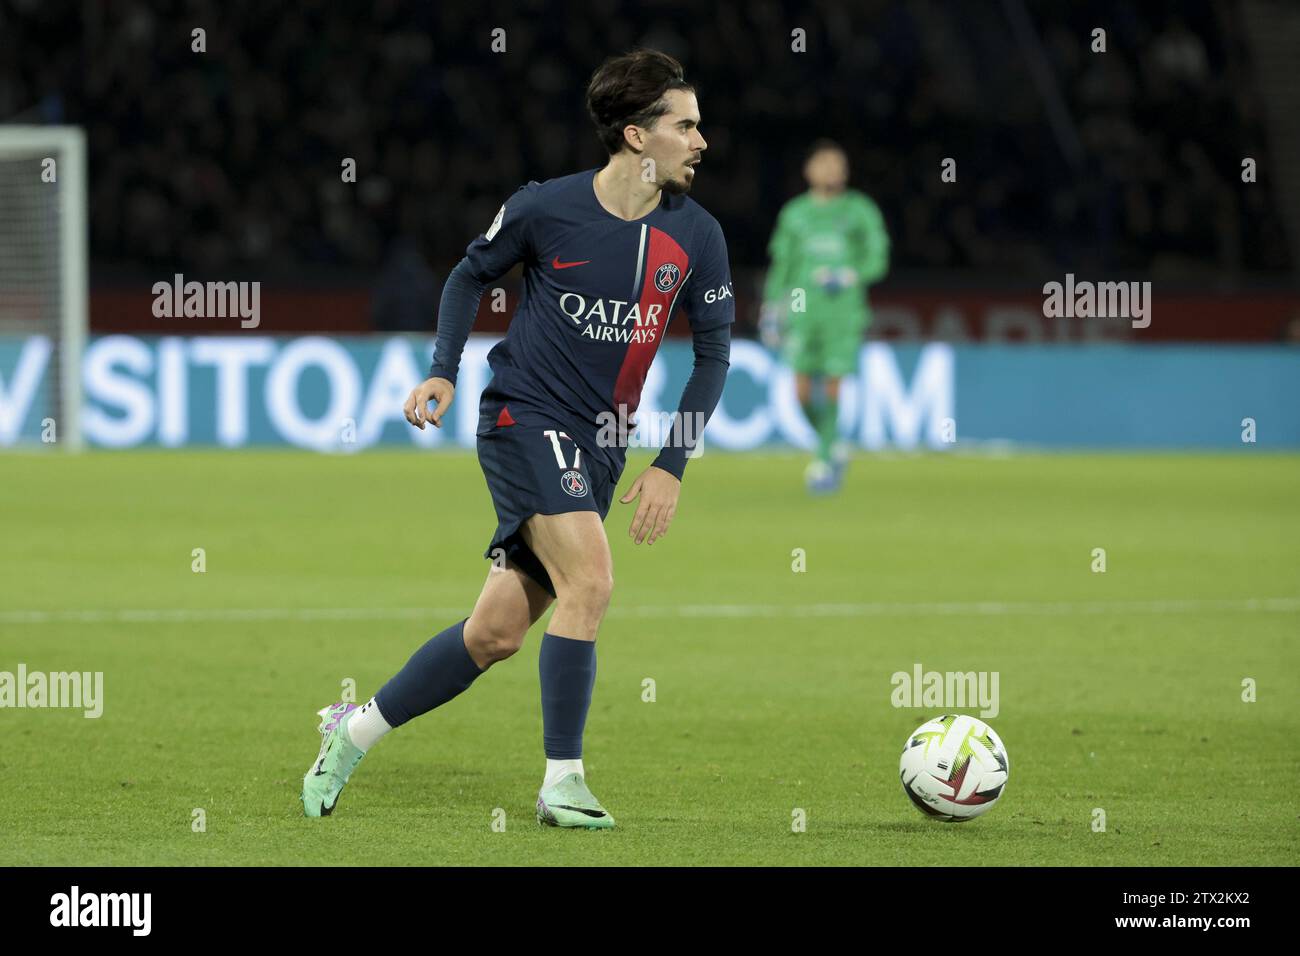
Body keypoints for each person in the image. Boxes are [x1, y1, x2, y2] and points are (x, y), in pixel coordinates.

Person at [300, 49, 733, 829]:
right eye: (686, 125)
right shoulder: (545, 209)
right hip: (523, 416)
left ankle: (351, 732)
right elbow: (470, 275)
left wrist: (672, 462)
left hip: (601, 447)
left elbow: (713, 355)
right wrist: (443, 370)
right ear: (637, 136)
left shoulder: (697, 237)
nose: (701, 141)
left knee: (495, 633)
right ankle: (562, 782)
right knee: (592, 584)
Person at [760, 140, 889, 493]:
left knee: (832, 383)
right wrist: (772, 306)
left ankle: (823, 461)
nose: (831, 171)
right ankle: (832, 446)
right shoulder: (795, 214)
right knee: (800, 391)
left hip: (843, 313)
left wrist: (852, 274)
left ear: (845, 172)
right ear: (809, 171)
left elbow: (877, 257)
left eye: (837, 165)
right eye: (824, 164)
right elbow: (783, 264)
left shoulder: (860, 210)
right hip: (803, 309)